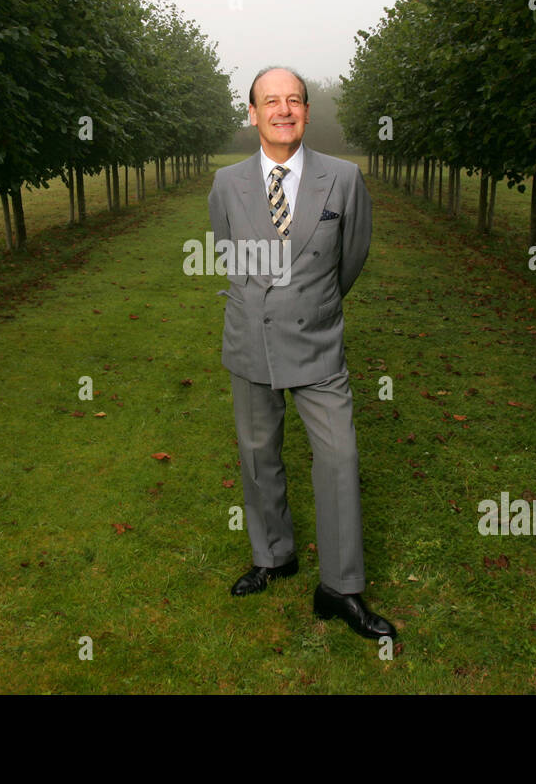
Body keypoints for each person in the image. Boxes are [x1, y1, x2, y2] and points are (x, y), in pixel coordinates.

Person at [206, 66, 395, 641]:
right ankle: (274, 557)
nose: (283, 110)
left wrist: (314, 303)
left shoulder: (343, 178)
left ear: (307, 112)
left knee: (339, 458)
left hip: (318, 342)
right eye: (271, 101)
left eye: (294, 100)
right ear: (253, 113)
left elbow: (352, 256)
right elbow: (228, 251)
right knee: (259, 455)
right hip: (251, 342)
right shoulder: (226, 183)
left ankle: (340, 588)